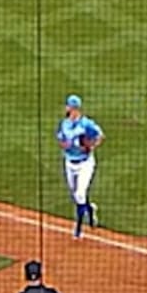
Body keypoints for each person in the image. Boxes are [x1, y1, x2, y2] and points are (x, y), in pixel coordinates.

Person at [56, 94, 104, 237]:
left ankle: (77, 230)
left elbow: (100, 136)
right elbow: (61, 140)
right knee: (77, 196)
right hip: (69, 163)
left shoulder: (86, 124)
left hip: (85, 163)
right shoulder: (64, 123)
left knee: (80, 194)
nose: (66, 108)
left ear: (74, 108)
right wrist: (65, 145)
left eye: (69, 106)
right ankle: (90, 209)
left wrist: (91, 146)